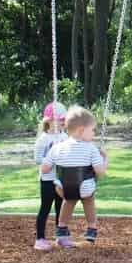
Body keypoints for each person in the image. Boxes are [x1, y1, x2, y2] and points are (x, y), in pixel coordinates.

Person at [43, 105, 108, 248]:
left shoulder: (57, 147)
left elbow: (45, 169)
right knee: (89, 199)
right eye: (92, 130)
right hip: (85, 188)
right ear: (81, 130)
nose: (94, 133)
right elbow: (100, 172)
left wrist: (53, 157)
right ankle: (91, 230)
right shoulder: (91, 149)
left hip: (63, 188)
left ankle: (61, 231)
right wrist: (105, 158)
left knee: (68, 200)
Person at [33, 101, 68, 251]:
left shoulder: (65, 136)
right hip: (47, 179)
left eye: (63, 120)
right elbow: (37, 159)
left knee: (61, 209)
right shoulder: (44, 139)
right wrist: (51, 158)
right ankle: (40, 239)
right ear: (49, 121)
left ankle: (61, 236)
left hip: (61, 179)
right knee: (45, 208)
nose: (62, 122)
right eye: (59, 119)